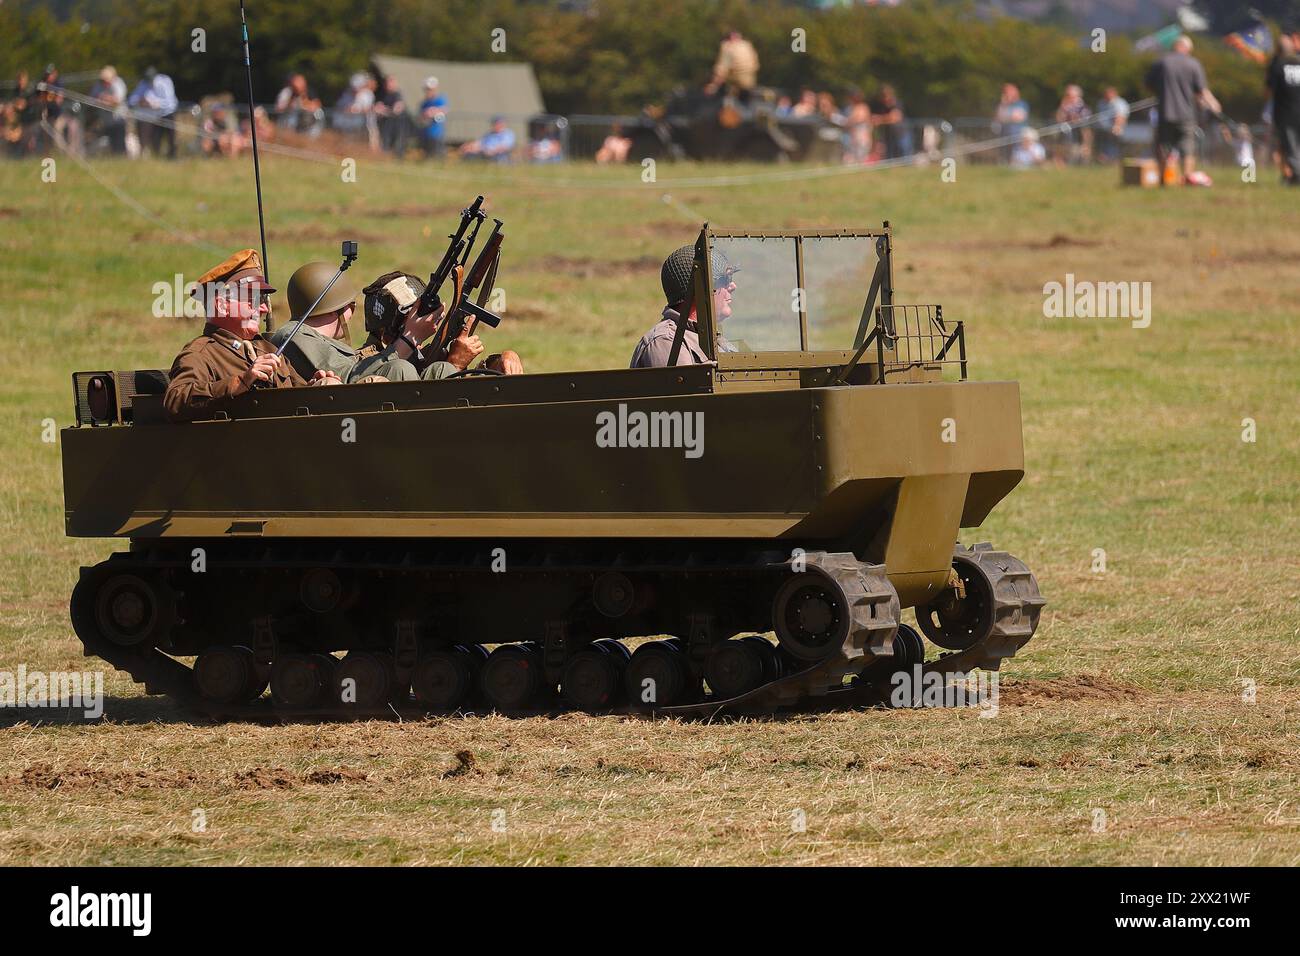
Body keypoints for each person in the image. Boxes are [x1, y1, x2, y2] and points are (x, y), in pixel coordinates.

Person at [164, 250, 340, 423]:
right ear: (222, 305)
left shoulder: (267, 349)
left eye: (263, 300)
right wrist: (240, 382)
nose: (263, 308)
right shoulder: (201, 353)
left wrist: (314, 388)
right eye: (254, 299)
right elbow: (175, 400)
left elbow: (294, 399)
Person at [270, 262, 451, 383]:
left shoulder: (316, 341)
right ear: (338, 308)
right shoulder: (292, 336)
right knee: (399, 369)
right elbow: (351, 379)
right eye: (351, 304)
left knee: (442, 370)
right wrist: (410, 338)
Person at [355, 272, 524, 378]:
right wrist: (453, 366)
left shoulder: (422, 355)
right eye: (413, 316)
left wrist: (505, 359)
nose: (424, 320)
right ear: (388, 329)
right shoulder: (363, 365)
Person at [630, 245, 740, 368]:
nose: (732, 286)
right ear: (700, 289)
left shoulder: (713, 339)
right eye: (725, 280)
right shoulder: (668, 342)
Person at [1145, 35, 1221, 186]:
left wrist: (1161, 92)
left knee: (1164, 146)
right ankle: (1187, 178)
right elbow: (1201, 90)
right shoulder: (1193, 64)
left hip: (1165, 113)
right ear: (1186, 48)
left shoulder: (1161, 62)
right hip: (1186, 114)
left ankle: (1162, 180)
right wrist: (1213, 103)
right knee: (1188, 148)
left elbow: (1148, 84)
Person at [1266, 22, 1300, 186]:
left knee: (1288, 147)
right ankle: (1292, 176)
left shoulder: (1277, 65)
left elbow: (1269, 91)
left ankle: (1296, 175)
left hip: (1285, 113)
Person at [128, 67, 178, 158]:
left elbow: (170, 102)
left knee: (171, 138)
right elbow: (132, 100)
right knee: (156, 139)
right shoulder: (143, 83)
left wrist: (156, 104)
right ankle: (157, 156)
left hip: (168, 113)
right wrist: (140, 101)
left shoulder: (164, 82)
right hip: (154, 116)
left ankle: (173, 157)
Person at [704, 30, 759, 98]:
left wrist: (714, 84)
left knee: (716, 79)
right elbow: (755, 64)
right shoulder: (747, 45)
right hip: (750, 79)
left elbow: (723, 67)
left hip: (736, 78)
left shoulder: (728, 46)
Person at [89, 65, 128, 155]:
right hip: (106, 119)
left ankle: (121, 156)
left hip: (119, 117)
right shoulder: (98, 85)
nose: (105, 83)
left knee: (119, 139)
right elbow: (93, 99)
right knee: (109, 140)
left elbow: (117, 100)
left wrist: (104, 99)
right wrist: (104, 100)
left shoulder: (119, 84)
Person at [1054, 84, 1092, 164]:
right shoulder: (1065, 106)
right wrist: (1062, 107)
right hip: (1067, 133)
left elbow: (1083, 122)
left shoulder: (1082, 107)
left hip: (1078, 134)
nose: (1067, 97)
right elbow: (1058, 119)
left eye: (1069, 95)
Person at [870, 85, 907, 160]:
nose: (885, 98)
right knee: (890, 159)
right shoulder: (882, 106)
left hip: (901, 135)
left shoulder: (897, 104)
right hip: (888, 136)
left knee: (903, 159)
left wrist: (880, 119)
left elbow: (895, 117)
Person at [1094, 86, 1130, 162]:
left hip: (1115, 129)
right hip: (1102, 130)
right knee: (1102, 146)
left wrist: (1116, 127)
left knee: (1114, 145)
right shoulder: (1101, 102)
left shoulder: (1120, 103)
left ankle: (1114, 160)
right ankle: (1104, 159)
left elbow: (1121, 116)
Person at [374, 74, 407, 154]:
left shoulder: (397, 95)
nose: (388, 84)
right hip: (385, 125)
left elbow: (397, 110)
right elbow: (376, 108)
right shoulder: (382, 95)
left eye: (390, 82)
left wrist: (384, 110)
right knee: (385, 145)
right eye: (386, 82)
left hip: (397, 125)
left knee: (397, 147)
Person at [417, 77, 448, 159]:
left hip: (437, 134)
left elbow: (443, 111)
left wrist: (432, 112)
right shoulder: (424, 103)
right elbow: (420, 118)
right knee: (427, 156)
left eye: (430, 89)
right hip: (426, 134)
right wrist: (425, 115)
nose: (428, 91)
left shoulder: (440, 100)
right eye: (427, 89)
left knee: (437, 156)